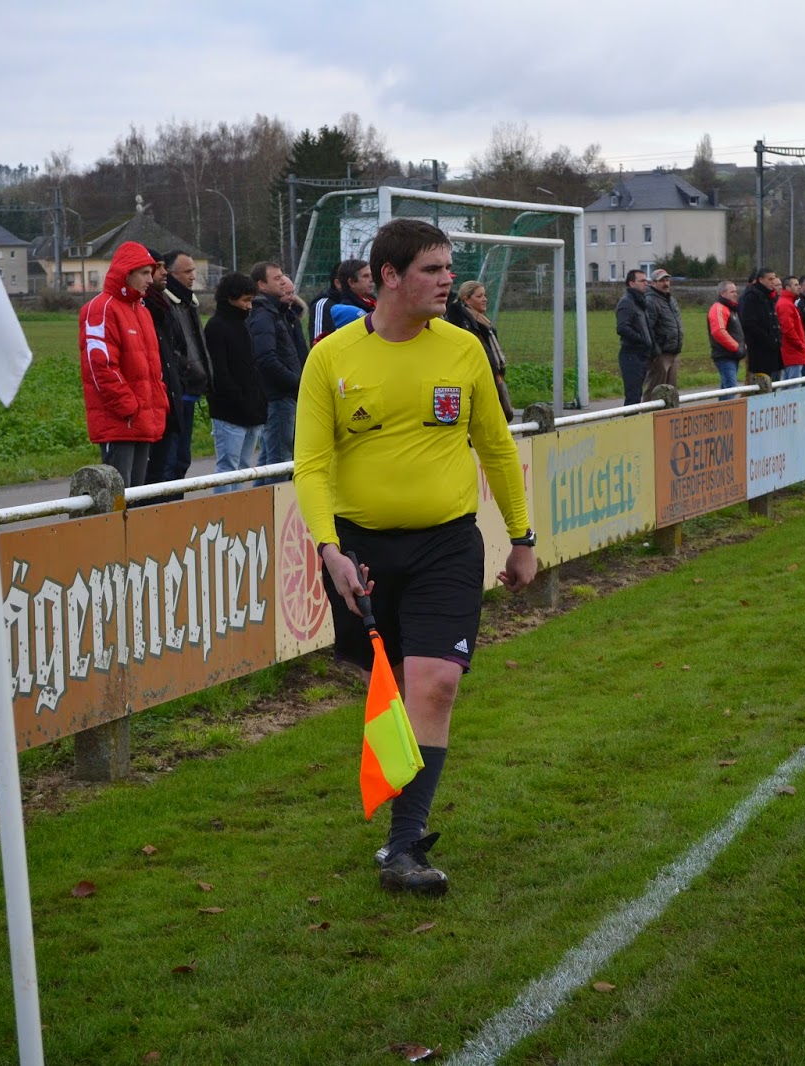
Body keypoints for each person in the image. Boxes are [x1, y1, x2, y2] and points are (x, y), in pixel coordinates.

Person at [294, 218, 535, 895]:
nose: (447, 279)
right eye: (432, 269)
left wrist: (522, 538)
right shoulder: (330, 358)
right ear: (388, 277)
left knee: (435, 683)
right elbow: (310, 466)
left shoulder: (464, 351)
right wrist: (329, 550)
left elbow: (495, 447)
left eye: (447, 267)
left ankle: (406, 847)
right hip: (360, 550)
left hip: (448, 544)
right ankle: (397, 825)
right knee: (394, 691)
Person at [78, 240, 168, 488]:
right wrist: (130, 407)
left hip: (141, 420)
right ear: (126, 273)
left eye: (151, 273)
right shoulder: (100, 308)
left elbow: (151, 368)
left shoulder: (142, 310)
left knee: (138, 495)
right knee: (118, 496)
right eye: (144, 273)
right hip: (120, 422)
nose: (150, 280)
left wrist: (156, 403)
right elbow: (100, 366)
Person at [203, 271, 266, 492]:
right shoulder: (216, 326)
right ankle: (224, 512)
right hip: (229, 411)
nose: (249, 306)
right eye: (245, 300)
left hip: (249, 408)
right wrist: (241, 400)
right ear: (231, 297)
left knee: (243, 467)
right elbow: (220, 372)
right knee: (228, 467)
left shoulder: (242, 325)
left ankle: (238, 514)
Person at [249, 261, 309, 477]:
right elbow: (266, 358)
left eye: (283, 276)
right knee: (278, 461)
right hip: (279, 396)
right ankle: (273, 510)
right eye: (277, 278)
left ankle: (260, 508)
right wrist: (296, 381)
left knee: (270, 459)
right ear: (261, 285)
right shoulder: (264, 315)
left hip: (285, 394)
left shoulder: (278, 312)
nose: (283, 282)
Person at [159, 249, 213, 483]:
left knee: (183, 460)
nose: (193, 276)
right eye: (187, 271)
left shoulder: (189, 302)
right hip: (176, 391)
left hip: (191, 390)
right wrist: (185, 373)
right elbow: (172, 350)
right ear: (171, 274)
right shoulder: (165, 304)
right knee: (170, 462)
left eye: (194, 270)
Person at [140, 250, 189, 494]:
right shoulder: (142, 309)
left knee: (170, 471)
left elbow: (177, 351)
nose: (163, 273)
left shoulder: (163, 307)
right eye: (155, 268)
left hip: (168, 403)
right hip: (150, 408)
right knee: (148, 481)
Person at [446, 279, 514, 422]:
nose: (485, 299)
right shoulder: (464, 322)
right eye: (479, 296)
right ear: (467, 299)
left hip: (490, 376)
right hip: (477, 379)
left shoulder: (482, 321)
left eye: (484, 295)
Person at [642, 268, 684, 396]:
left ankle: (668, 415)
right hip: (660, 355)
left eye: (667, 280)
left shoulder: (671, 300)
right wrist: (655, 351)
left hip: (673, 352)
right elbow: (648, 328)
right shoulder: (650, 301)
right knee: (655, 389)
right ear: (653, 283)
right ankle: (647, 415)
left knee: (671, 391)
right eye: (661, 281)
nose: (666, 283)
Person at [614, 269, 653, 405]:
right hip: (631, 354)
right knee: (633, 395)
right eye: (642, 281)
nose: (646, 283)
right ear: (631, 283)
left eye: (646, 280)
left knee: (638, 393)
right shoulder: (627, 302)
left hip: (641, 354)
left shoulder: (640, 303)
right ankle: (629, 423)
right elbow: (622, 328)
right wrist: (642, 340)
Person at [740, 267, 782, 378]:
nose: (773, 282)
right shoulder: (751, 297)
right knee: (763, 383)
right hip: (759, 350)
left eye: (774, 278)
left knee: (775, 381)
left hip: (774, 348)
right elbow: (749, 324)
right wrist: (768, 338)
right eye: (770, 279)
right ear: (761, 280)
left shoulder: (770, 296)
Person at [706, 279, 746, 389]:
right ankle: (727, 407)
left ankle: (723, 406)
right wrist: (737, 347)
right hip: (725, 355)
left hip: (732, 355)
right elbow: (718, 331)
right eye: (732, 292)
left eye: (736, 291)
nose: (736, 294)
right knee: (730, 388)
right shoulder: (718, 308)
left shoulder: (731, 309)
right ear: (723, 293)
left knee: (726, 387)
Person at [775, 276, 805, 381]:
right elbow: (788, 329)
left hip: (794, 351)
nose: (799, 287)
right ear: (788, 287)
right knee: (793, 385)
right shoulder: (786, 304)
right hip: (792, 352)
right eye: (796, 285)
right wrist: (800, 344)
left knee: (790, 383)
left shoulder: (789, 303)